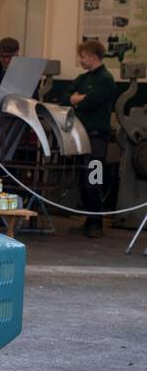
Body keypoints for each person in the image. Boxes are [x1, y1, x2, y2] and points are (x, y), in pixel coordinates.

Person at [60, 39, 118, 238]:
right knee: (83, 180)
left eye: (83, 57)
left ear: (93, 56)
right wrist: (76, 99)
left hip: (97, 139)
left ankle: (96, 223)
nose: (81, 60)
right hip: (80, 137)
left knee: (94, 179)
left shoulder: (106, 80)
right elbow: (65, 96)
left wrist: (78, 100)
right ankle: (88, 220)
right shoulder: (83, 78)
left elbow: (92, 102)